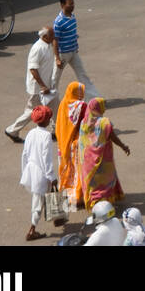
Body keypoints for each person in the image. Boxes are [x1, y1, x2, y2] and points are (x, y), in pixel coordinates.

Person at [5, 25, 57, 142]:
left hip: (47, 86)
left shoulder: (48, 45)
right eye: (52, 35)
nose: (54, 37)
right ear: (44, 36)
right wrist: (43, 85)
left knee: (54, 106)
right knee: (32, 112)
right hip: (38, 88)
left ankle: (56, 131)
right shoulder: (37, 48)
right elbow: (33, 69)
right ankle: (12, 130)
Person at [18, 105, 61, 241]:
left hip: (31, 170)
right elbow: (46, 159)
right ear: (47, 120)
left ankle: (55, 219)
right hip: (41, 173)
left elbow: (24, 154)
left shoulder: (30, 133)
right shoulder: (46, 136)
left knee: (42, 197)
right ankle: (32, 229)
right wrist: (52, 176)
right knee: (38, 202)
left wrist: (24, 170)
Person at [79, 97, 129, 206]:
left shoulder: (84, 122)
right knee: (104, 182)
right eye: (103, 105)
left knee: (93, 184)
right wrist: (123, 146)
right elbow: (113, 137)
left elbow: (82, 142)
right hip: (103, 160)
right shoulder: (104, 122)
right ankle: (104, 205)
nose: (105, 108)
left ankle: (94, 204)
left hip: (88, 161)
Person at [51, 0, 97, 100]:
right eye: (70, 4)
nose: (72, 6)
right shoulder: (58, 22)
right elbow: (55, 41)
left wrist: (76, 46)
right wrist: (57, 58)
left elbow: (72, 33)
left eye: (73, 4)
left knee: (83, 75)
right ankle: (50, 101)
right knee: (55, 79)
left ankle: (93, 99)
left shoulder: (72, 16)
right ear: (62, 5)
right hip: (63, 55)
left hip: (73, 52)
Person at [56, 81, 87, 212]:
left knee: (67, 171)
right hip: (76, 143)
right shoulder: (80, 106)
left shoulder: (63, 103)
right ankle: (78, 197)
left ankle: (66, 196)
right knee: (78, 171)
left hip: (63, 142)